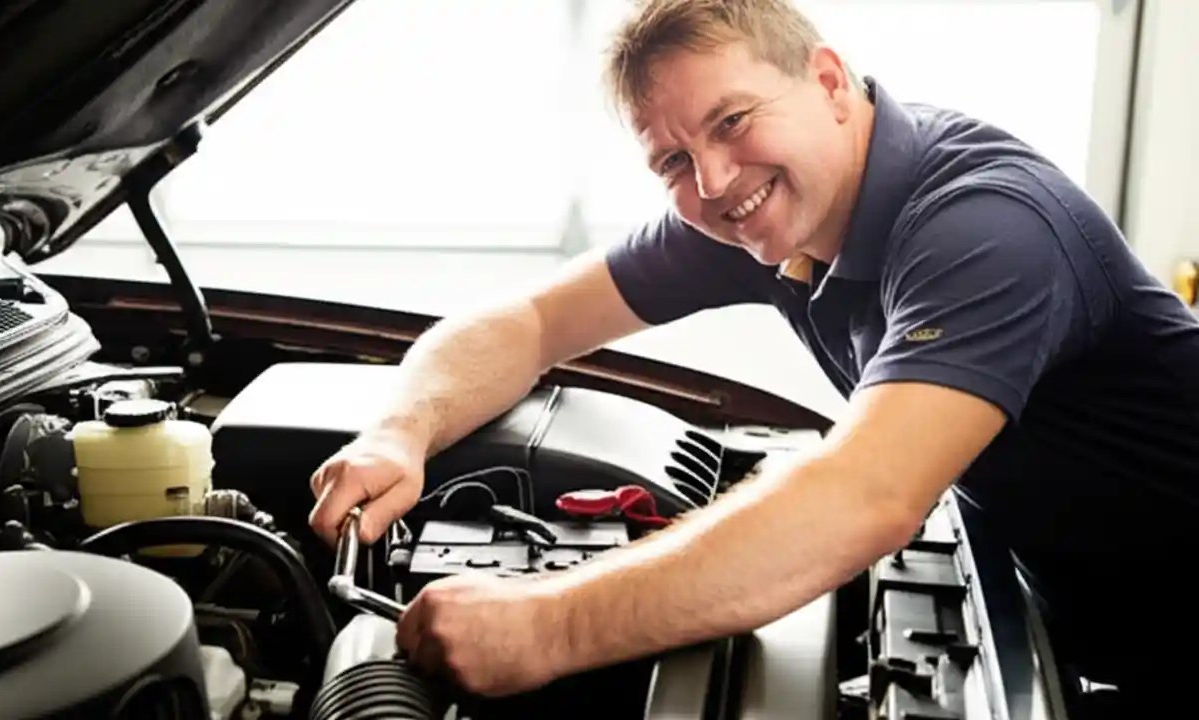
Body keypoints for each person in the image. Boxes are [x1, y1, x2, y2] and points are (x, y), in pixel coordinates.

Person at [308, 0, 1199, 712]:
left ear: (828, 80)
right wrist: (401, 431)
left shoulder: (985, 225)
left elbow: (866, 497)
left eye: (732, 120)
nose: (713, 183)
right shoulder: (754, 215)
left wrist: (551, 626)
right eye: (670, 162)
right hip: (1094, 620)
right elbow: (530, 321)